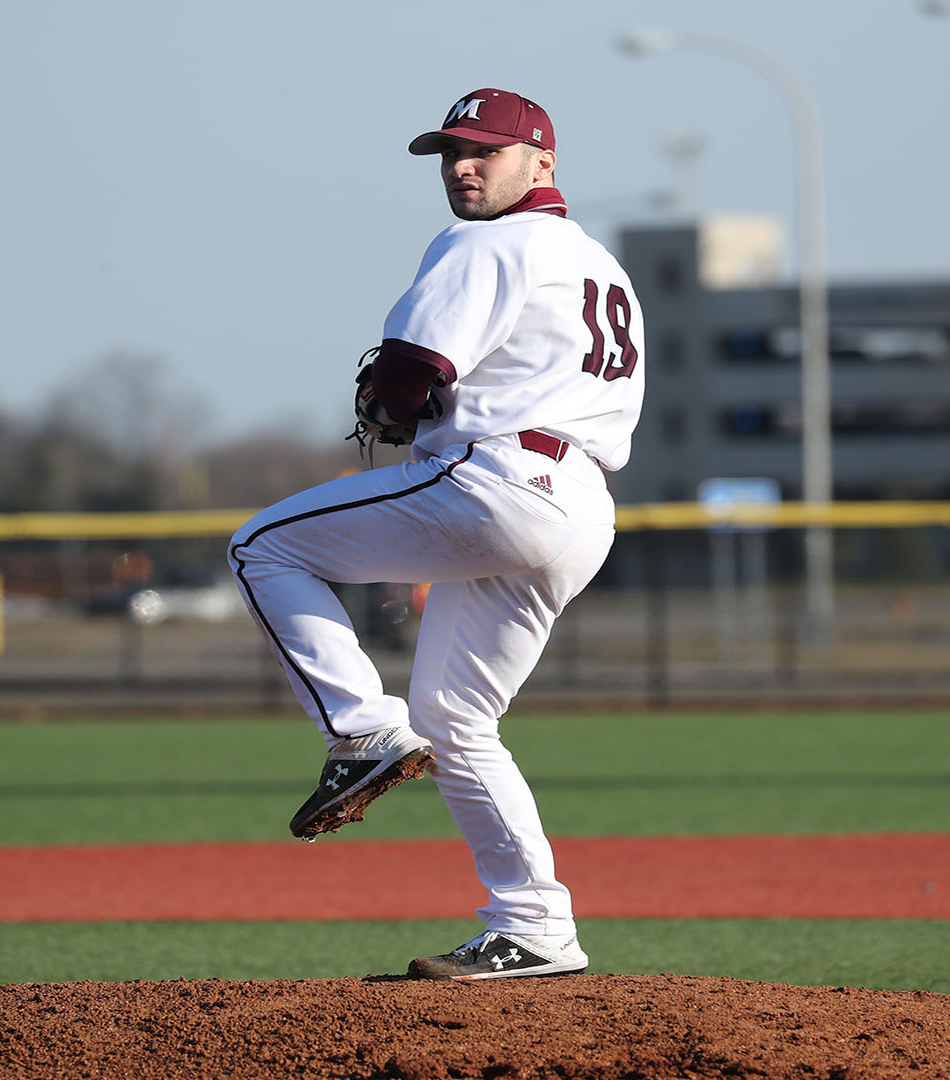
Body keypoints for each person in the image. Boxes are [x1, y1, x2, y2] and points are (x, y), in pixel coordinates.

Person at [227, 88, 645, 980]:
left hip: (500, 479)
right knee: (455, 720)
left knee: (263, 546)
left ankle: (358, 730)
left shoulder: (487, 240)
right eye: (451, 152)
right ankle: (536, 928)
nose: (462, 167)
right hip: (581, 505)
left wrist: (389, 401)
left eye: (484, 152)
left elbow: (411, 373)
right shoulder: (598, 262)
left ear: (543, 163)